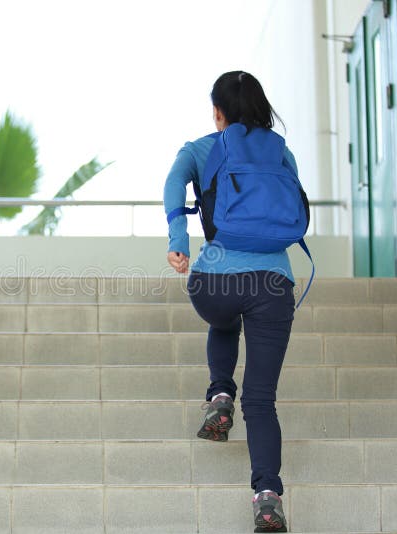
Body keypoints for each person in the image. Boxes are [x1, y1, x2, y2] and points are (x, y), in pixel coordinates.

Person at [163, 71, 297, 533]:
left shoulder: (202, 148)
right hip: (275, 285)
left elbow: (173, 186)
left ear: (218, 112)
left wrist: (178, 239)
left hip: (215, 282)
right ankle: (267, 497)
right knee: (262, 402)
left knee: (223, 324)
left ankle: (220, 394)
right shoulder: (281, 152)